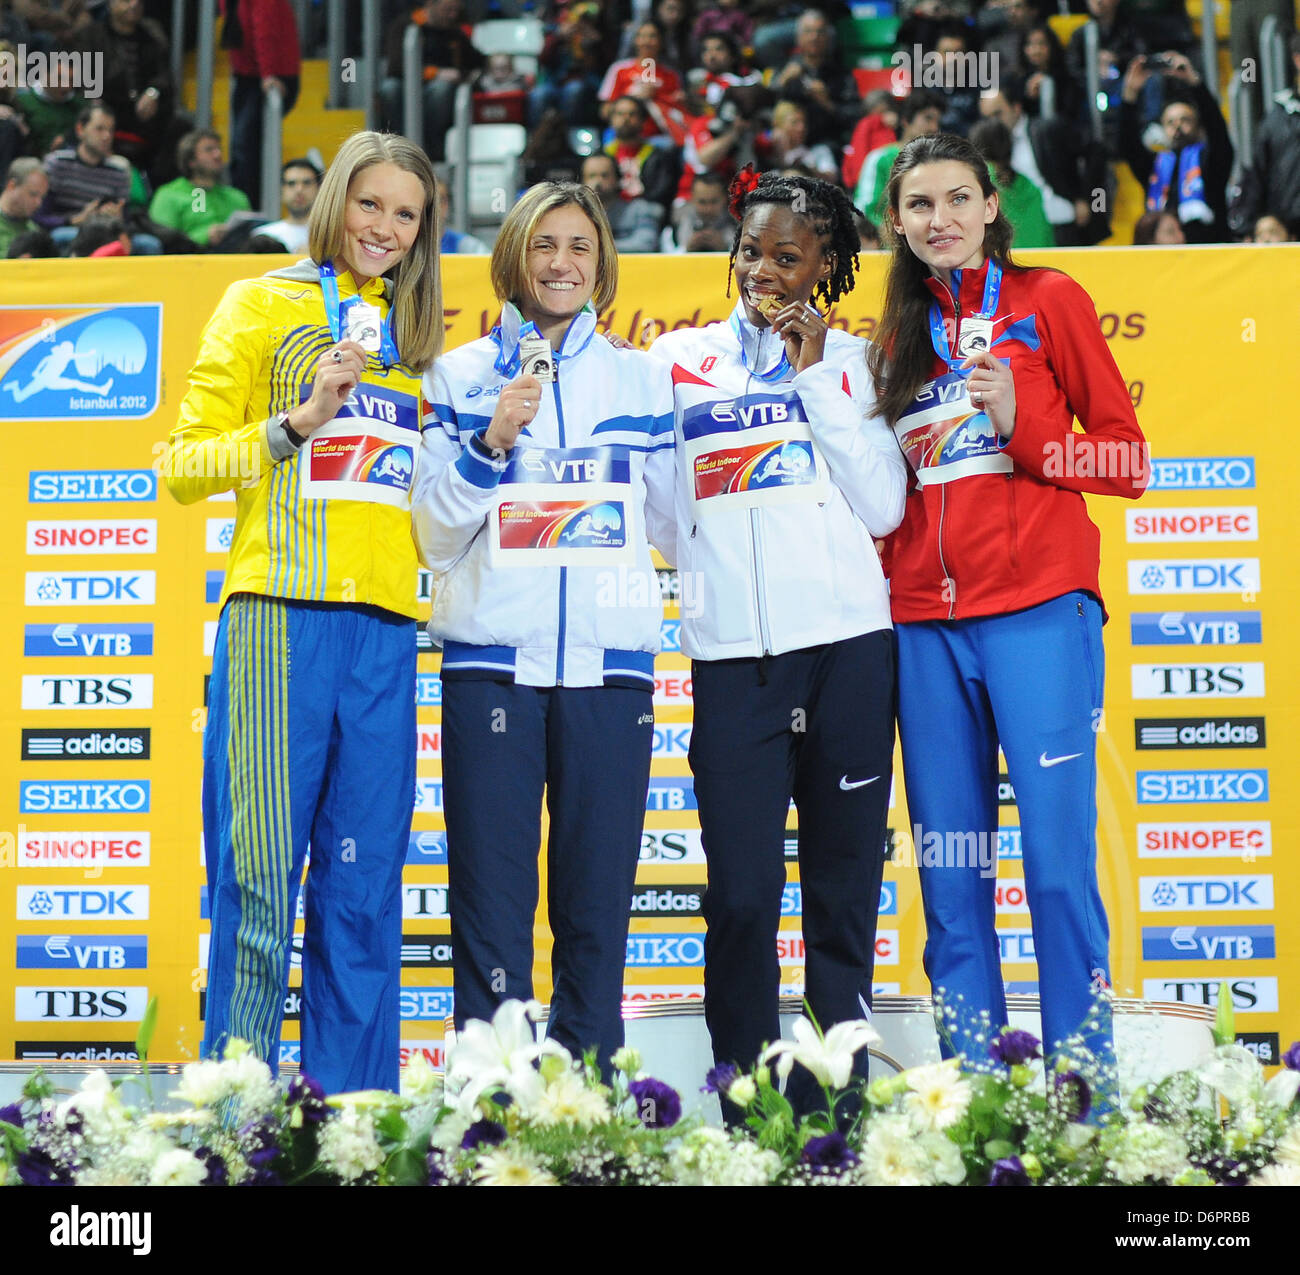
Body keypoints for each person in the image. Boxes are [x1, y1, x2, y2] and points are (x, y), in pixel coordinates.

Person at [162, 131, 442, 1093]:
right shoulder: (259, 302)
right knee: (257, 885)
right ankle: (234, 1124)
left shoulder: (418, 339)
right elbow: (180, 469)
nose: (385, 227)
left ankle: (356, 1122)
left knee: (364, 894)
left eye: (406, 214)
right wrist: (294, 423)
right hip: (278, 623)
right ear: (333, 202)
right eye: (370, 204)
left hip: (385, 637)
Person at [868, 133, 1147, 1078]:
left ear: (994, 206)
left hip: (1036, 612)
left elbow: (1125, 460)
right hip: (922, 628)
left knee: (1060, 871)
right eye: (918, 206)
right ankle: (975, 1104)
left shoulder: (1048, 301)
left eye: (956, 199)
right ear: (896, 224)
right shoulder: (894, 341)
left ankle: (1085, 1096)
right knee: (950, 880)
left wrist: (1025, 430)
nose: (939, 219)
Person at [647, 169, 907, 1117]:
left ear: (826, 266)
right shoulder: (680, 361)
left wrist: (812, 383)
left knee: (841, 900)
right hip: (735, 668)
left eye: (787, 256)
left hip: (848, 653)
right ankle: (748, 1113)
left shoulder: (856, 366)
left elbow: (882, 505)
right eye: (750, 251)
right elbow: (671, 520)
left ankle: (839, 1112)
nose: (763, 271)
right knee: (743, 898)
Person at [411, 181, 676, 1073]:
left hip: (613, 674)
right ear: (513, 257)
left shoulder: (643, 378)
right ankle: (493, 1110)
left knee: (596, 905)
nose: (563, 264)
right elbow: (435, 535)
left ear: (602, 264)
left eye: (580, 248)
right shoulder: (455, 376)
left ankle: (588, 1104)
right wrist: (490, 444)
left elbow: (674, 523)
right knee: (490, 902)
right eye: (544, 246)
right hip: (492, 670)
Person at [1120, 52, 1233, 243]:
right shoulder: (1155, 166)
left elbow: (1218, 132)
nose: (1178, 126)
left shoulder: (1211, 161)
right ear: (1163, 129)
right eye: (1170, 122)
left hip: (1207, 253)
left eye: (1185, 120)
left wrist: (1195, 84)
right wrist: (1130, 95)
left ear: (1198, 126)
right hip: (1163, 257)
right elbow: (1128, 145)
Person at [223, 0, 301, 209]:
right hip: (248, 74)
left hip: (269, 76)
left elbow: (265, 29)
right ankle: (248, 208)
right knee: (246, 149)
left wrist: (268, 73)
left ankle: (252, 210)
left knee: (247, 150)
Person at [148, 129, 251, 247]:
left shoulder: (237, 197)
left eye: (219, 149)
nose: (217, 155)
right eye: (209, 150)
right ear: (191, 161)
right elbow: (163, 240)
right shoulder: (168, 195)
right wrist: (205, 236)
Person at [581, 152, 663, 252]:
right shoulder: (577, 214)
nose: (598, 182)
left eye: (604, 175)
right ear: (583, 181)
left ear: (617, 179)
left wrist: (600, 247)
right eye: (592, 176)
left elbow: (646, 244)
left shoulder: (639, 209)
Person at [255, 157, 322, 254]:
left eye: (306, 183)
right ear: (282, 190)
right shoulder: (263, 235)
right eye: (291, 183)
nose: (299, 190)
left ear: (319, 188)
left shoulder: (333, 236)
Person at [0, 157, 48, 257]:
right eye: (33, 194)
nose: (38, 203)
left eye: (41, 197)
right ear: (11, 186)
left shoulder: (34, 232)